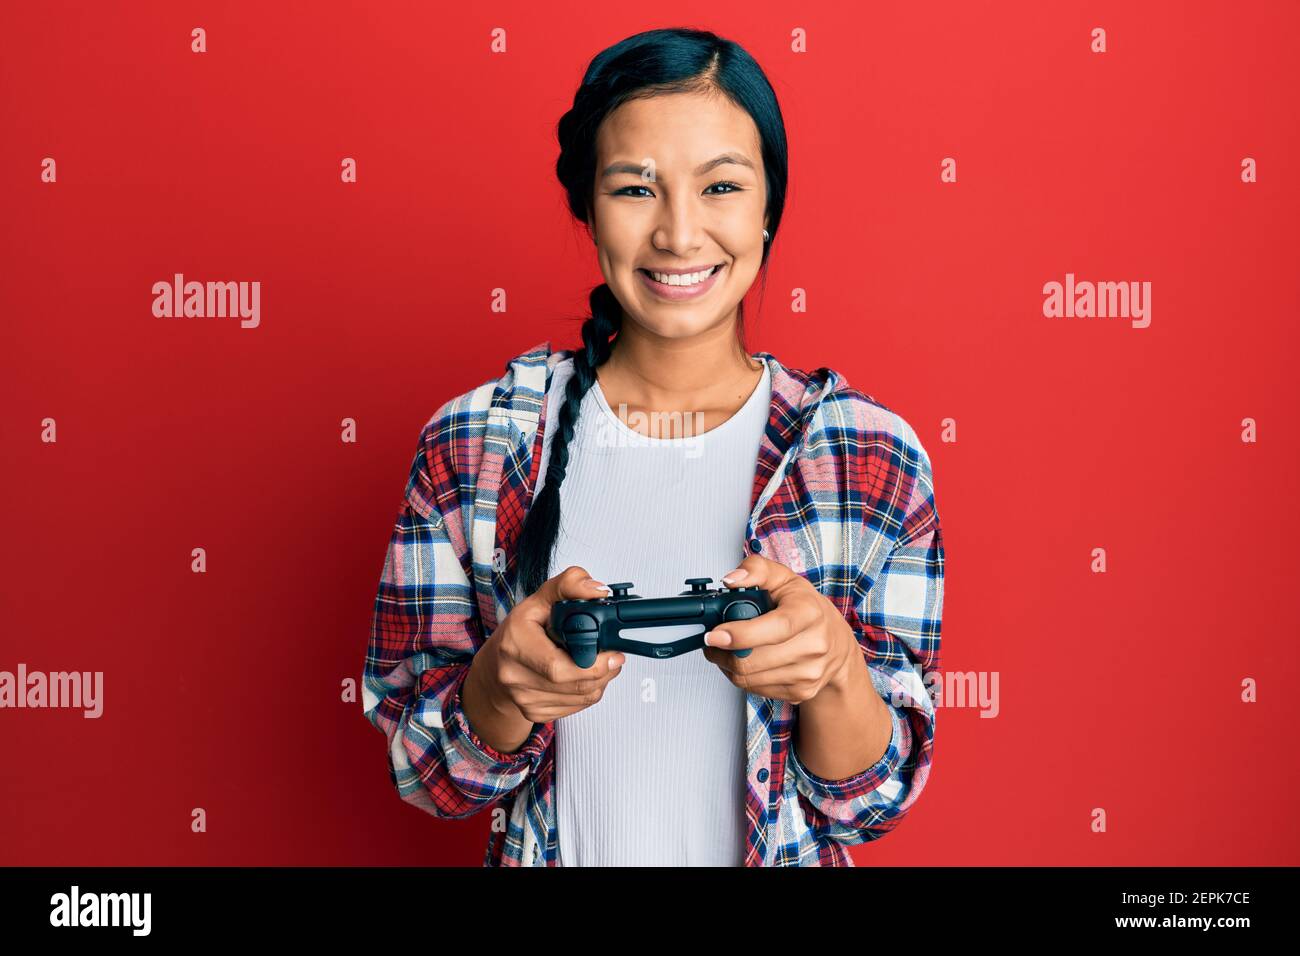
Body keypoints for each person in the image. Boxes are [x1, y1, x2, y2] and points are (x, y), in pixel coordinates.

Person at [362, 26, 943, 867]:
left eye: (721, 186)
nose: (678, 234)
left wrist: (835, 671)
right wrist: (496, 687)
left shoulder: (867, 455)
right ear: (586, 206)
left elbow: (867, 804)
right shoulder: (476, 442)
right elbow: (424, 778)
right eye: (636, 188)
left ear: (770, 204)